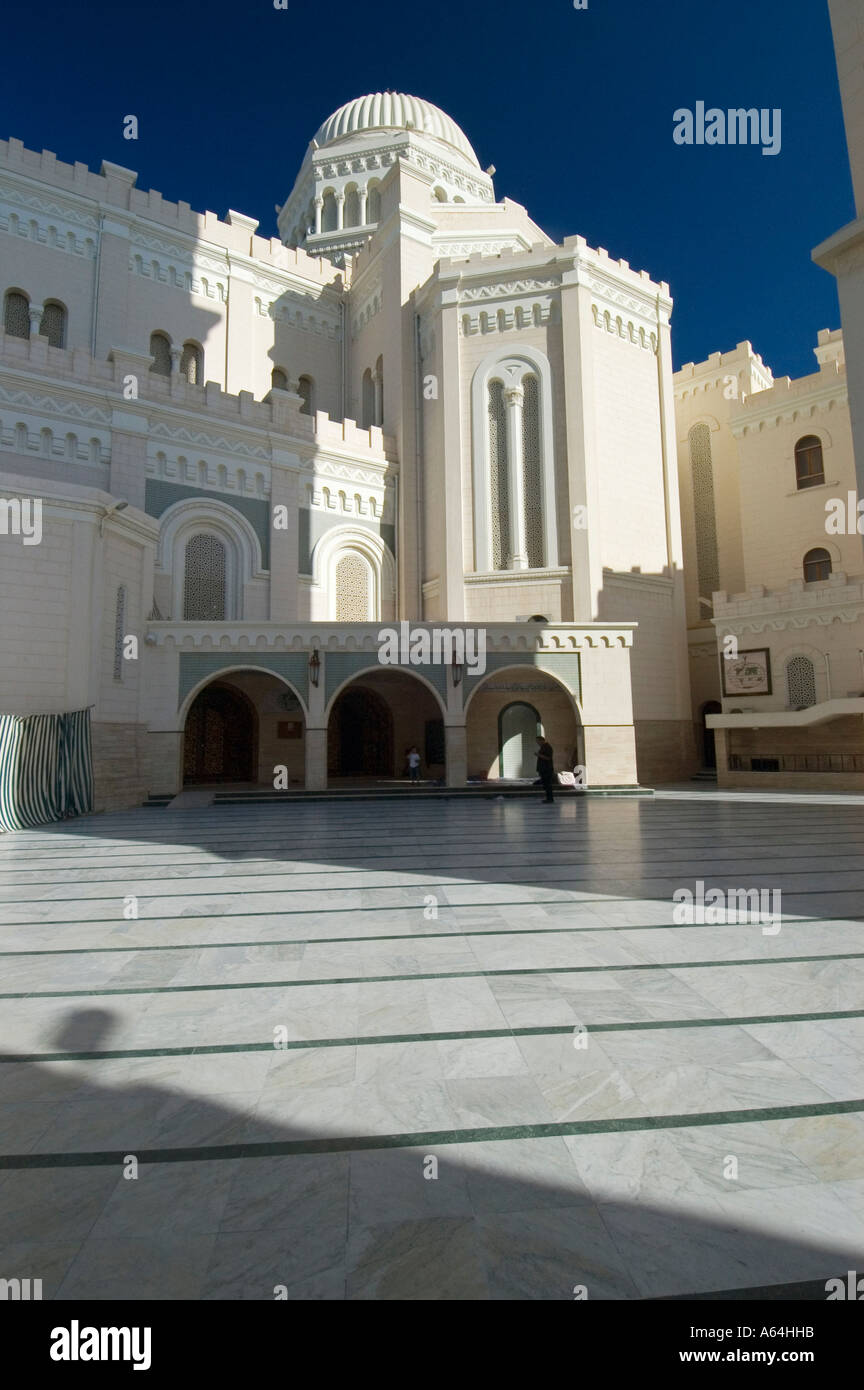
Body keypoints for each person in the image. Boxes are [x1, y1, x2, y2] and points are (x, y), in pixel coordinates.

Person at [535, 734, 555, 803]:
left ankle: (550, 799)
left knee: (548, 785)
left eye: (538, 741)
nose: (537, 743)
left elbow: (548, 758)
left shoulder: (547, 747)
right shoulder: (543, 747)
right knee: (545, 785)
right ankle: (548, 798)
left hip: (547, 769)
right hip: (543, 769)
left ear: (542, 740)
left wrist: (538, 755)